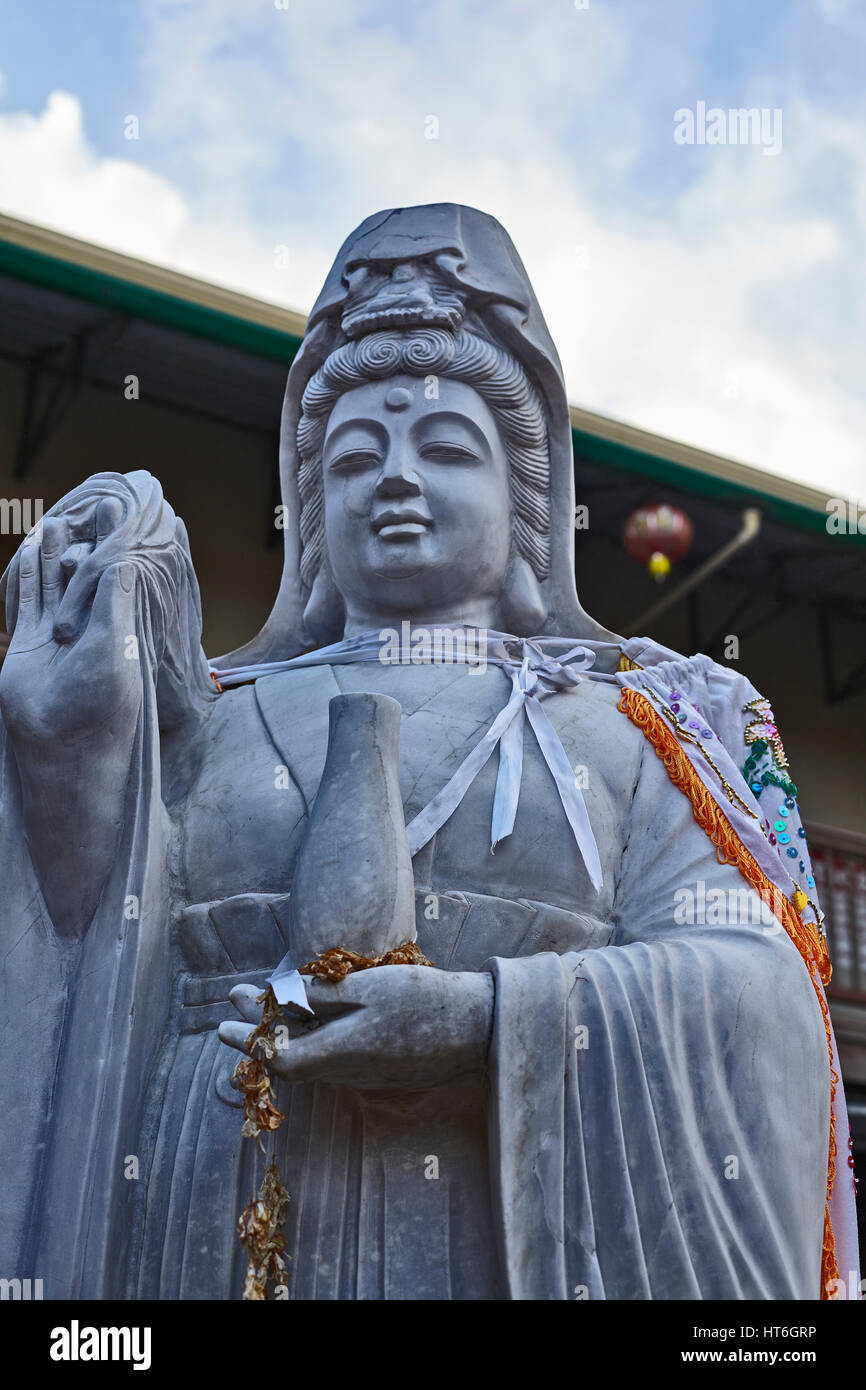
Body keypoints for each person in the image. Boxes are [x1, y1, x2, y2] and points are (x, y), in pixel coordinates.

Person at [0, 204, 855, 1300]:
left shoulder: (639, 726)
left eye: (445, 446)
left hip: (484, 1225)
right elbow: (88, 974)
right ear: (310, 515)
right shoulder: (207, 719)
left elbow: (761, 998)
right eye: (353, 454)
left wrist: (492, 1021)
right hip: (208, 1215)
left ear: (525, 509)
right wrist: (61, 760)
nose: (393, 476)